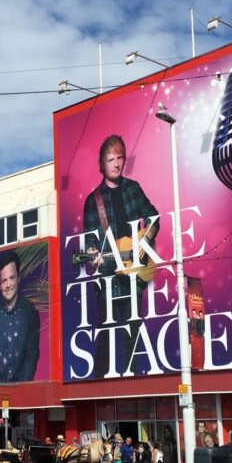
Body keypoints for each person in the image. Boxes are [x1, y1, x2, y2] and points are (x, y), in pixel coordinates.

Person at [82, 134, 160, 376]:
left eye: (119, 158)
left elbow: (154, 216)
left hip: (134, 275)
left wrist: (145, 240)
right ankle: (100, 393)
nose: (116, 163)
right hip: (107, 278)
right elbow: (90, 241)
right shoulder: (93, 201)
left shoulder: (133, 189)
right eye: (110, 159)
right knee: (105, 335)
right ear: (102, 164)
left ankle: (133, 388)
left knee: (133, 334)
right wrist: (92, 255)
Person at [0, 251, 41, 384]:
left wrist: (19, 393)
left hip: (24, 395)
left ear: (19, 278)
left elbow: (31, 358)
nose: (8, 285)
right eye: (4, 280)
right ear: (0, 285)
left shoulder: (31, 313)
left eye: (12, 278)